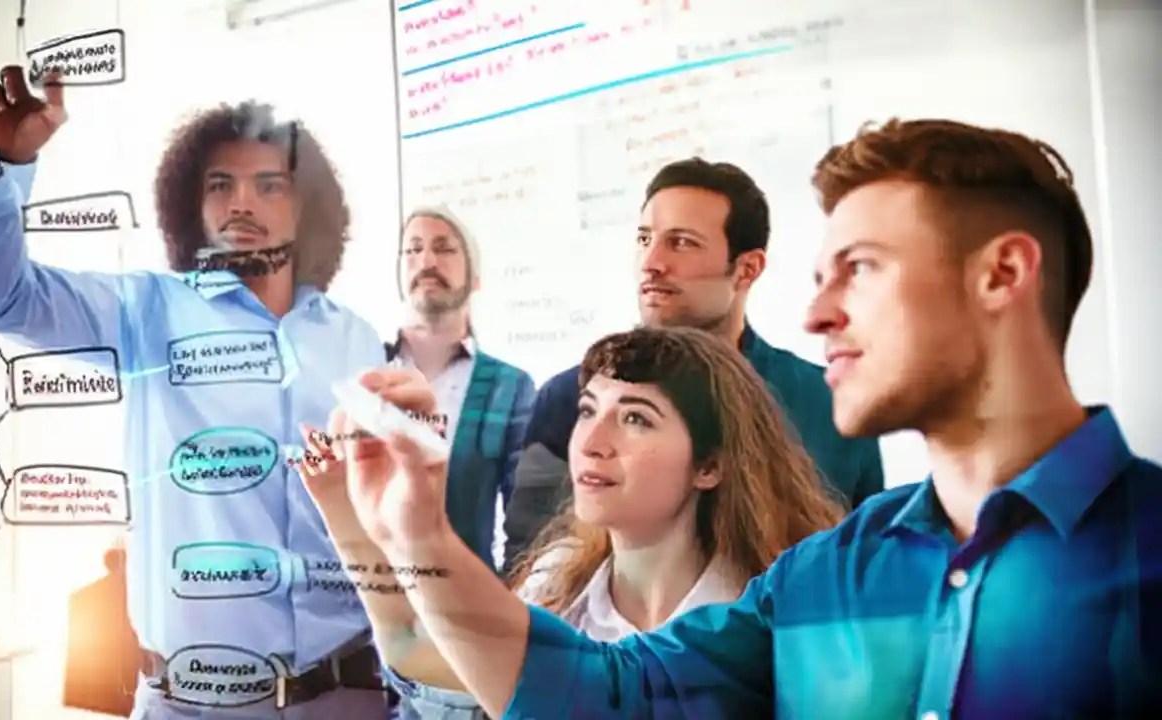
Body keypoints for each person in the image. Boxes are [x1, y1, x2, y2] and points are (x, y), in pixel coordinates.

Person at [322, 118, 1162, 718]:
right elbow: (605, 690)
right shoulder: (826, 575)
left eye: (862, 269)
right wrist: (413, 532)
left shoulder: (1145, 551)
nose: (819, 314)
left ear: (1002, 274)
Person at [0, 66, 392, 717]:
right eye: (220, 184)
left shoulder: (357, 339)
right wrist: (6, 164)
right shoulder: (146, 311)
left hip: (347, 697)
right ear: (191, 205)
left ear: (305, 206)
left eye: (269, 185)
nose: (241, 203)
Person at [296, 326, 844, 719]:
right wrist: (349, 511)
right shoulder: (557, 582)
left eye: (635, 418)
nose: (592, 442)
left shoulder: (773, 618)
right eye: (587, 410)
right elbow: (410, 647)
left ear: (710, 465)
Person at [503, 158, 884, 570]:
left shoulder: (828, 402)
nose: (652, 262)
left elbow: (866, 566)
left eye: (682, 242)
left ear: (747, 269)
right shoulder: (571, 398)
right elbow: (530, 568)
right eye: (645, 239)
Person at [387, 205, 535, 570]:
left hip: (463, 599)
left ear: (475, 278)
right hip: (362, 599)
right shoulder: (361, 367)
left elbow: (529, 526)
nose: (426, 260)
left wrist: (505, 598)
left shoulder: (510, 387)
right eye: (413, 249)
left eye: (444, 248)